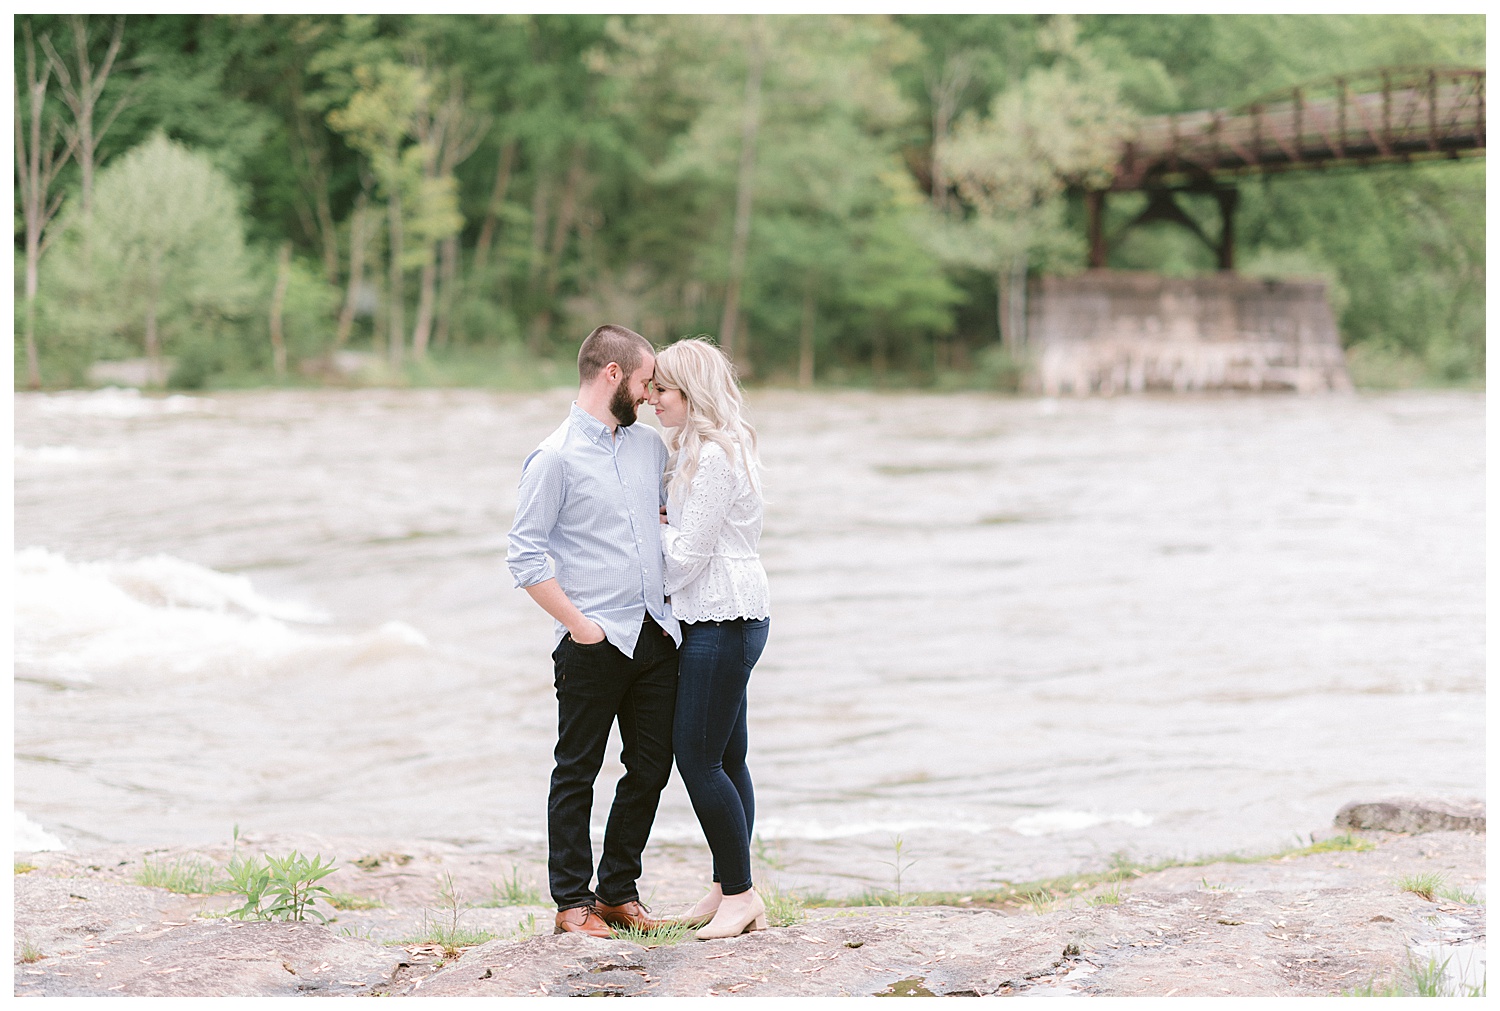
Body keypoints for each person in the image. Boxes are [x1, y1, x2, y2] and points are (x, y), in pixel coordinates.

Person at [506, 324, 682, 938]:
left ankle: (617, 892)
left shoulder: (649, 448)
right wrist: (582, 628)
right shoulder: (553, 458)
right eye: (643, 381)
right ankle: (572, 906)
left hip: (657, 637)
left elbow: (668, 521)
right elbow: (524, 558)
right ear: (612, 375)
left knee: (652, 767)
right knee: (576, 771)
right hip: (595, 640)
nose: (649, 393)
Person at [647, 337, 771, 940]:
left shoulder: (715, 454)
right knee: (727, 756)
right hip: (730, 614)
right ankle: (729, 886)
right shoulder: (706, 448)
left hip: (722, 617)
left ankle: (741, 895)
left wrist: (650, 535)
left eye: (661, 390)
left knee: (696, 758)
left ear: (690, 394)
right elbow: (697, 535)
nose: (650, 401)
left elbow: (688, 558)